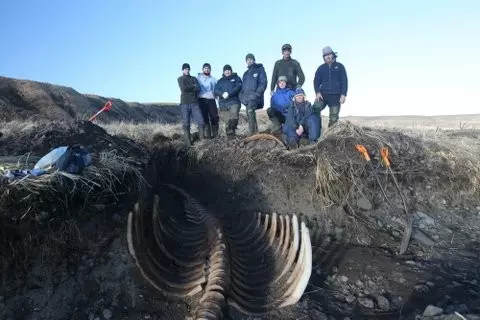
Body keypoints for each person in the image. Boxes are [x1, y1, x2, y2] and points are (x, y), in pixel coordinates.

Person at [313, 46, 348, 128]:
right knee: (314, 109)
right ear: (324, 57)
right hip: (323, 95)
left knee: (334, 118)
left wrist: (343, 95)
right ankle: (316, 132)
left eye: (329, 54)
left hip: (336, 96)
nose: (328, 56)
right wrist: (317, 92)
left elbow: (344, 81)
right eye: (325, 55)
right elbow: (316, 81)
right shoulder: (321, 68)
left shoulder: (340, 66)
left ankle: (329, 137)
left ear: (332, 55)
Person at [239, 53, 268, 136]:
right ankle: (255, 132)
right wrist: (242, 97)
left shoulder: (260, 69)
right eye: (247, 60)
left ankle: (253, 133)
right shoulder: (245, 74)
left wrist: (257, 93)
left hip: (256, 97)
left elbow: (263, 82)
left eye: (251, 59)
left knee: (250, 110)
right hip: (247, 99)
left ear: (254, 60)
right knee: (249, 113)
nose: (249, 61)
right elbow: (242, 87)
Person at [177, 63, 205, 146]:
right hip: (184, 104)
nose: (187, 70)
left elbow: (199, 88)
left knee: (201, 122)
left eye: (188, 69)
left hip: (194, 103)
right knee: (186, 123)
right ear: (183, 70)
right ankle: (188, 144)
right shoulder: (180, 79)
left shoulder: (194, 78)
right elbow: (184, 89)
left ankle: (202, 143)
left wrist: (192, 87)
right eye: (185, 69)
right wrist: (193, 86)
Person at [214, 64, 243, 139]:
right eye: (226, 71)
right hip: (223, 104)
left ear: (231, 71)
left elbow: (239, 86)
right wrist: (222, 94)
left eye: (228, 70)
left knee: (234, 116)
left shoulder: (236, 78)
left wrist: (229, 93)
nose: (227, 72)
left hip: (234, 101)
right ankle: (231, 138)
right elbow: (216, 90)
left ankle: (231, 132)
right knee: (227, 122)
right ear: (223, 72)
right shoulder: (220, 81)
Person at [197, 63, 220, 138]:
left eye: (208, 68)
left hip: (211, 99)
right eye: (205, 68)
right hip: (202, 99)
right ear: (203, 69)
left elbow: (216, 90)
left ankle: (215, 135)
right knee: (204, 117)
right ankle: (208, 136)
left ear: (210, 69)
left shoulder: (213, 79)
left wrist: (218, 100)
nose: (207, 69)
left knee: (214, 117)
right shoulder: (198, 78)